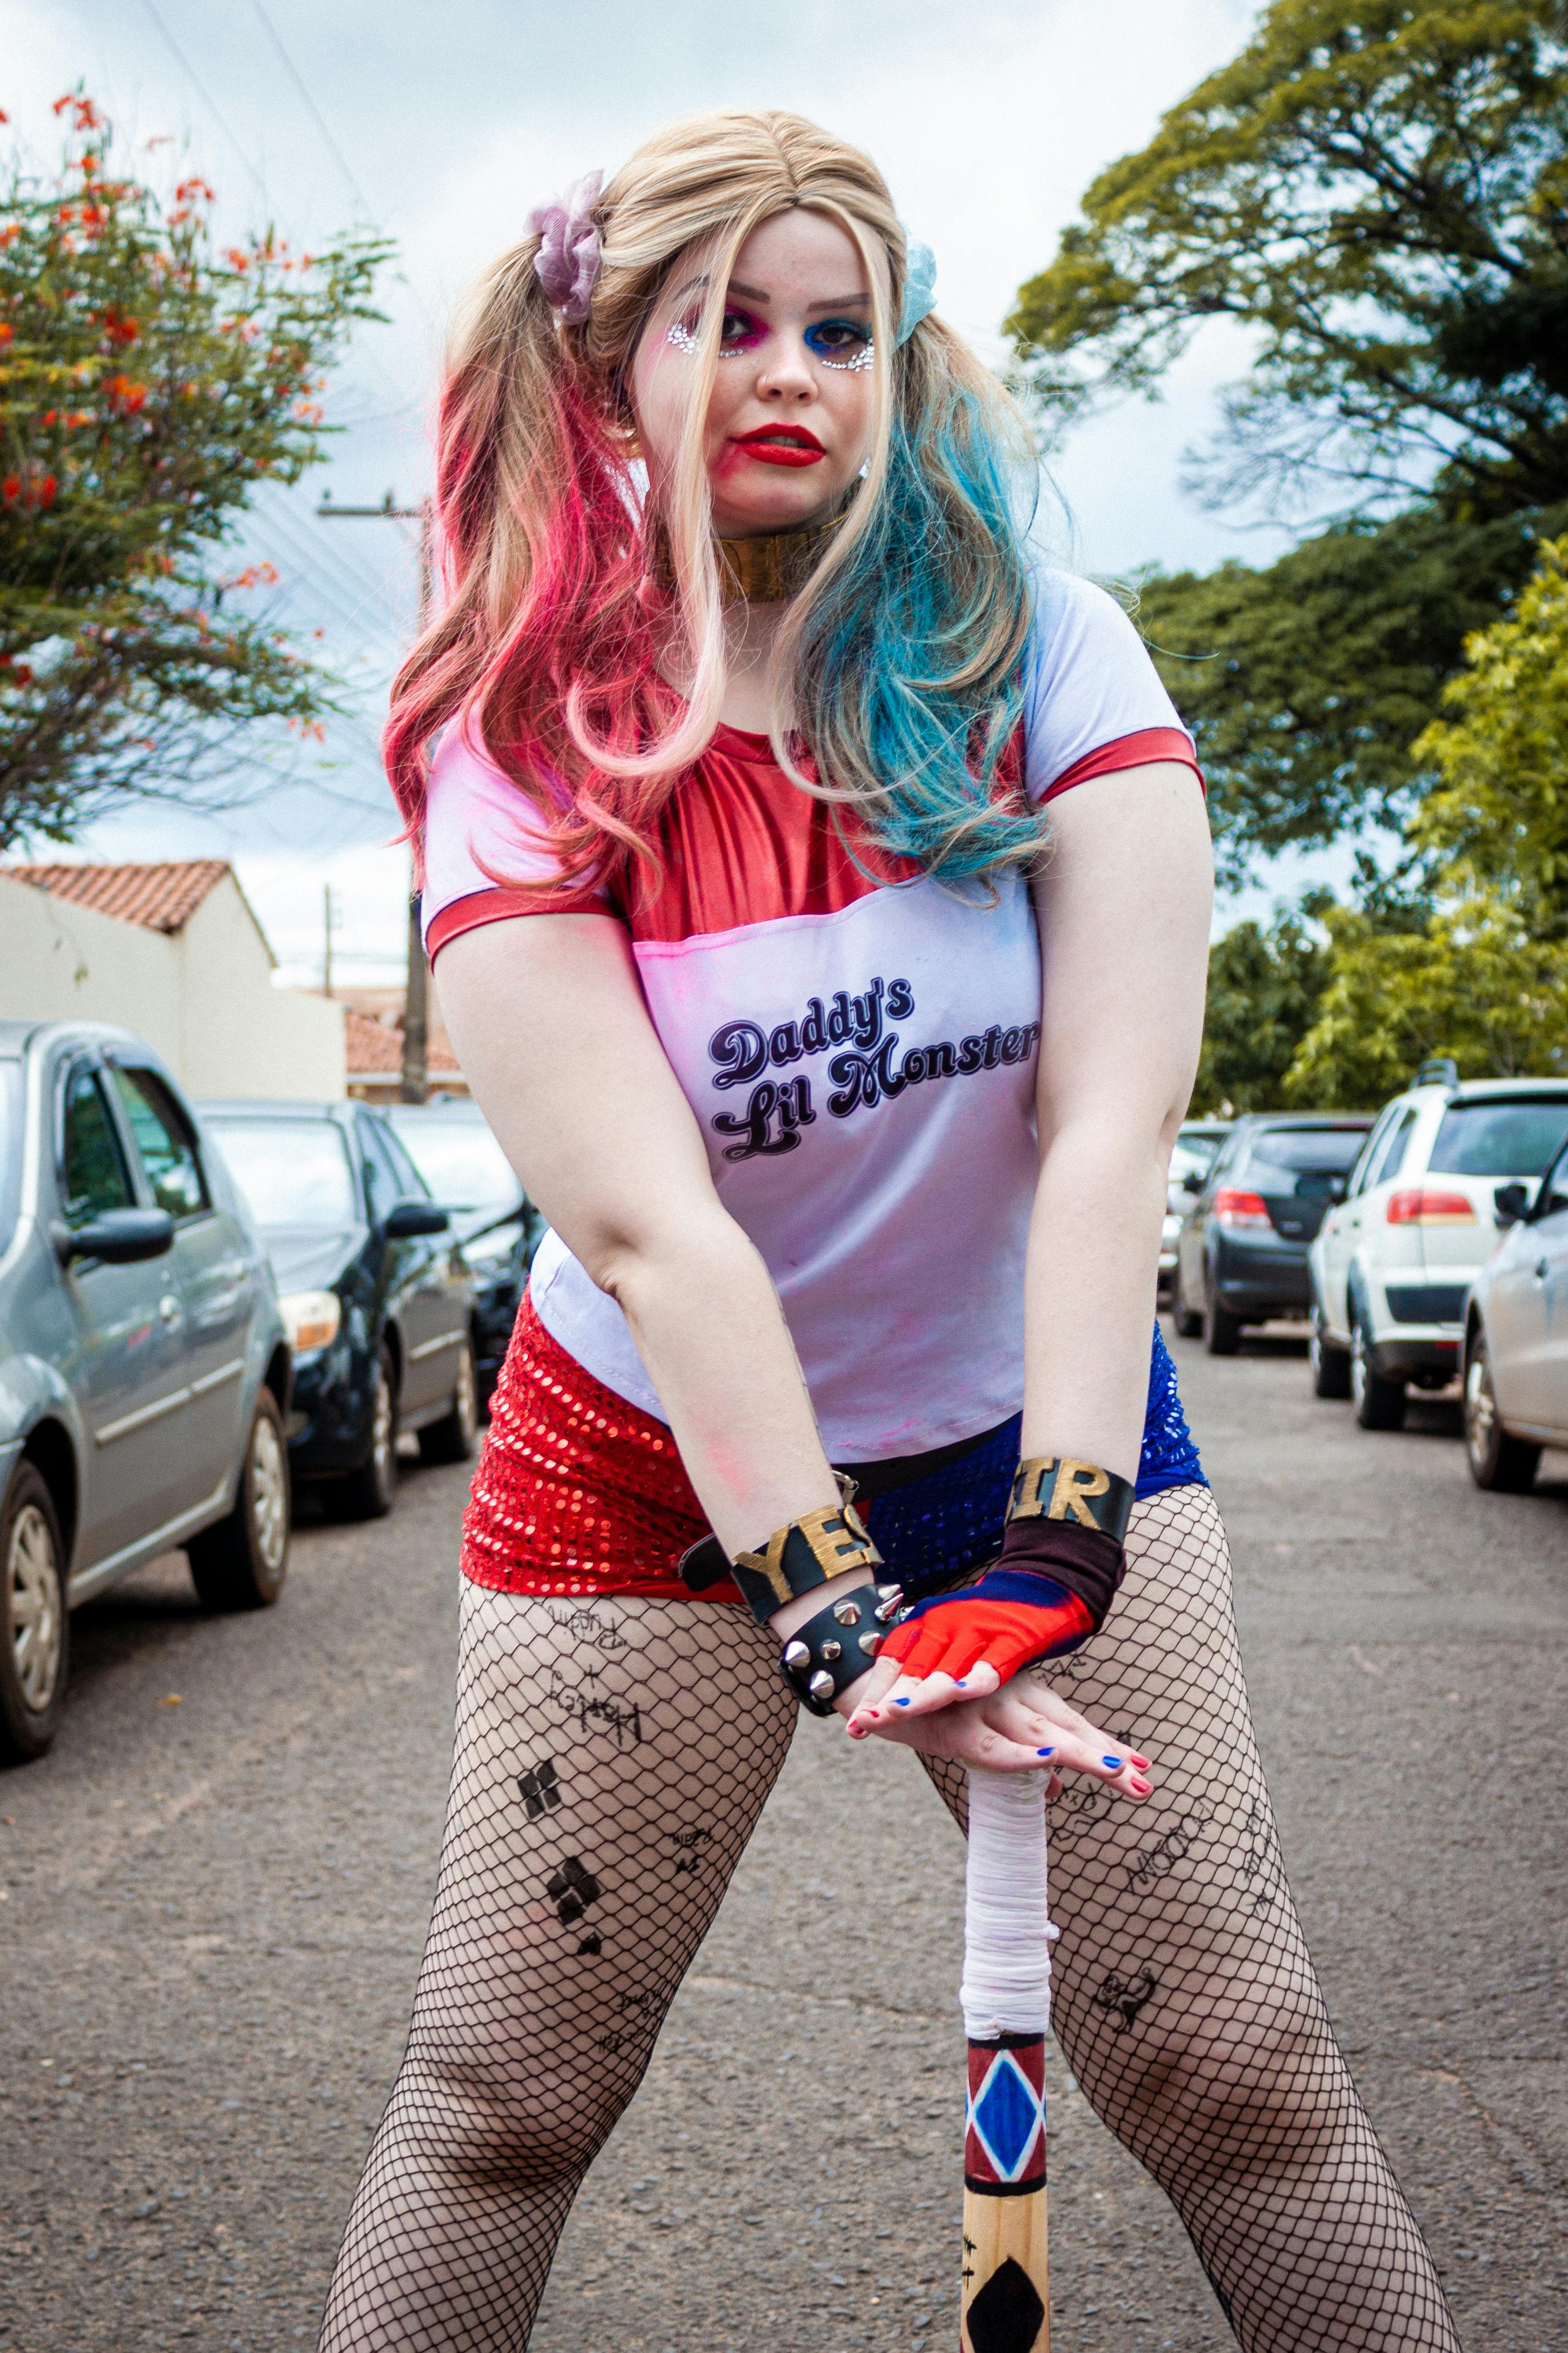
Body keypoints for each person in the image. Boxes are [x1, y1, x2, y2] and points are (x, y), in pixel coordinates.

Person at [318, 110, 1459, 2353]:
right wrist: (848, 1619)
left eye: (841, 325)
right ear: (607, 352)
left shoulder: (1040, 652)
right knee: (503, 2094)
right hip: (654, 1456)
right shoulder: (528, 742)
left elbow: (1108, 1116)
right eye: (727, 319)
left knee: (1236, 2067)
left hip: (1020, 1415)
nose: (793, 369)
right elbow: (655, 1229)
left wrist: (1055, 1535)